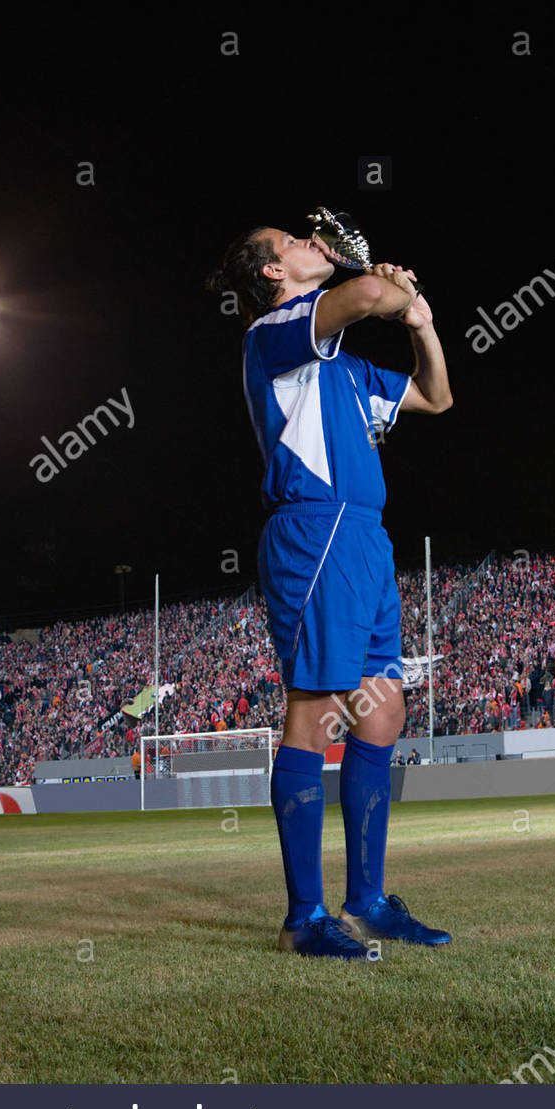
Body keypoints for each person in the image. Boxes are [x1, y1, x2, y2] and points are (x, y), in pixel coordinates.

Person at [206, 223, 453, 960]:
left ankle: (369, 902)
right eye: (295, 239)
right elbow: (369, 292)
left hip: (365, 538)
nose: (314, 238)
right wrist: (371, 278)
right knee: (313, 716)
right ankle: (303, 918)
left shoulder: (341, 367)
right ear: (274, 270)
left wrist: (423, 323)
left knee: (381, 718)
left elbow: (436, 397)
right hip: (313, 534)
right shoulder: (274, 330)